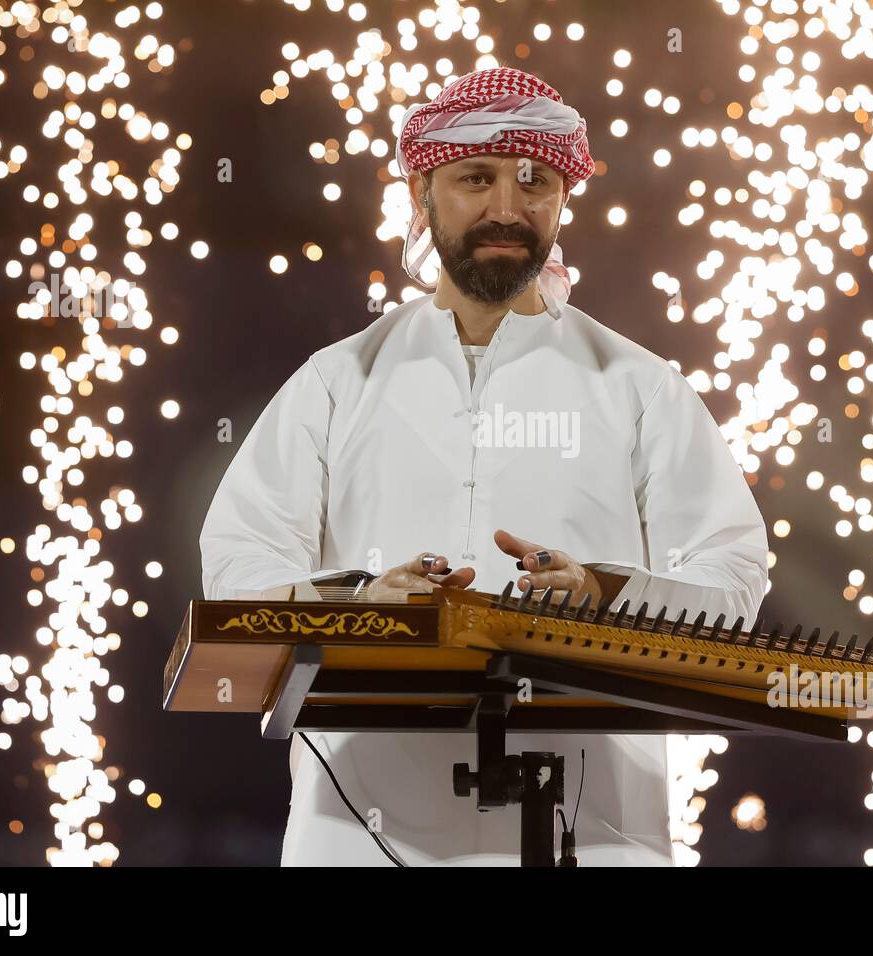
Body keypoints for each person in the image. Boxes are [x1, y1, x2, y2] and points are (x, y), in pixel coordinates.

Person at [199, 67, 769, 866]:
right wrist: (366, 604)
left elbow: (733, 575)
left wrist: (603, 593)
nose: (508, 208)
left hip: (593, 827)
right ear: (421, 189)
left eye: (533, 181)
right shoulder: (335, 383)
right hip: (362, 827)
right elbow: (236, 566)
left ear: (563, 199)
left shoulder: (641, 388)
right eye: (476, 179)